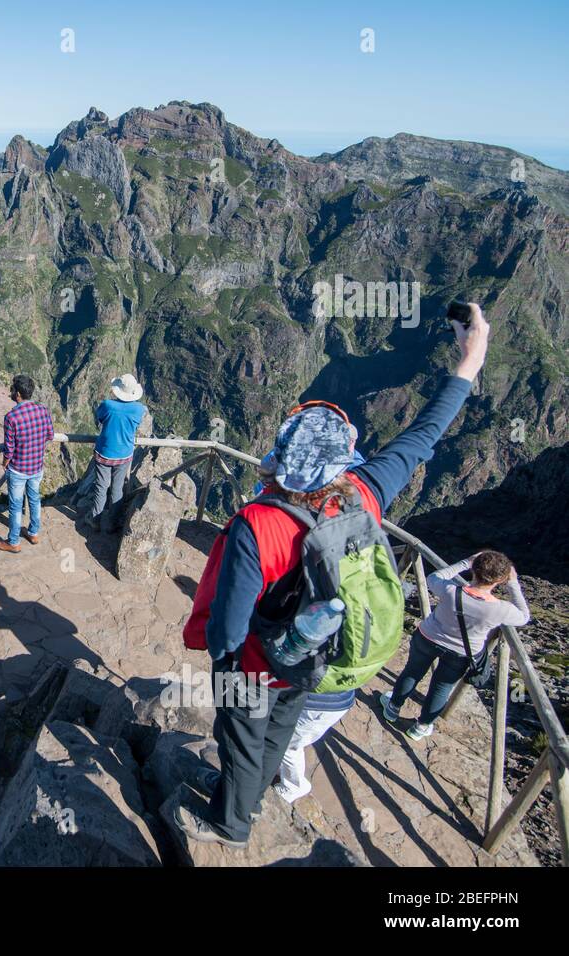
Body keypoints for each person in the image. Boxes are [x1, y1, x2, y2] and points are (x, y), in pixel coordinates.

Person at [175, 302, 491, 848]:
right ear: (341, 461)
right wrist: (470, 360)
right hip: (315, 660)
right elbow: (423, 437)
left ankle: (229, 823)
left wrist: (226, 664)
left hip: (257, 664)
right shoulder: (363, 493)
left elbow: (229, 627)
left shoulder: (259, 524)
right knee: (274, 736)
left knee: (243, 734)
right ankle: (242, 791)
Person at [380, 550, 530, 740]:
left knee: (412, 672)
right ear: (500, 580)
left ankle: (393, 708)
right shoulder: (501, 610)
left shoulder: (451, 590)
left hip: (428, 638)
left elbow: (435, 577)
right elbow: (524, 616)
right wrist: (513, 583)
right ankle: (422, 726)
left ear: (474, 570)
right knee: (441, 688)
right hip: (461, 654)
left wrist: (465, 562)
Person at [0, 374, 55, 554]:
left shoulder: (11, 417)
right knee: (35, 500)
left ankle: (13, 542)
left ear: (18, 394)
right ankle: (34, 533)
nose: (11, 391)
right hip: (36, 466)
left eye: (13, 389)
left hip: (19, 469)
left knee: (15, 505)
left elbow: (9, 448)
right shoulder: (43, 410)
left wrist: (5, 462)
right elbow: (50, 435)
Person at [83, 373, 147, 533]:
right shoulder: (139, 409)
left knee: (101, 486)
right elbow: (138, 421)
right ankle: (113, 523)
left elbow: (100, 418)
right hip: (124, 455)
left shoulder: (108, 405)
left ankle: (95, 519)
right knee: (117, 488)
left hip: (105, 452)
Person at [273, 689, 354, 802]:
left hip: (317, 705)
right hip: (338, 699)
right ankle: (281, 766)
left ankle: (295, 786)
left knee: (286, 743)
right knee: (290, 740)